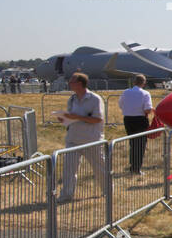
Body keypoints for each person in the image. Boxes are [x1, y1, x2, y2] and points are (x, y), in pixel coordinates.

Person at [56, 72, 108, 202]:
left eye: (72, 81)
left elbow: (98, 119)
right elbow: (71, 116)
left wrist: (77, 117)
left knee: (100, 168)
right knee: (69, 169)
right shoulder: (72, 99)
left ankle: (107, 191)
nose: (69, 83)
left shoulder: (95, 99)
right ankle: (66, 195)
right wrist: (64, 118)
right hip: (73, 139)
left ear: (80, 83)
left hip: (92, 140)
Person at [118, 74, 154, 174]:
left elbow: (120, 104)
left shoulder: (125, 92)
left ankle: (132, 164)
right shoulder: (145, 93)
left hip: (128, 119)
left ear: (134, 82)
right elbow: (147, 109)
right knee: (141, 144)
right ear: (144, 83)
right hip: (140, 119)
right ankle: (136, 167)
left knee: (133, 143)